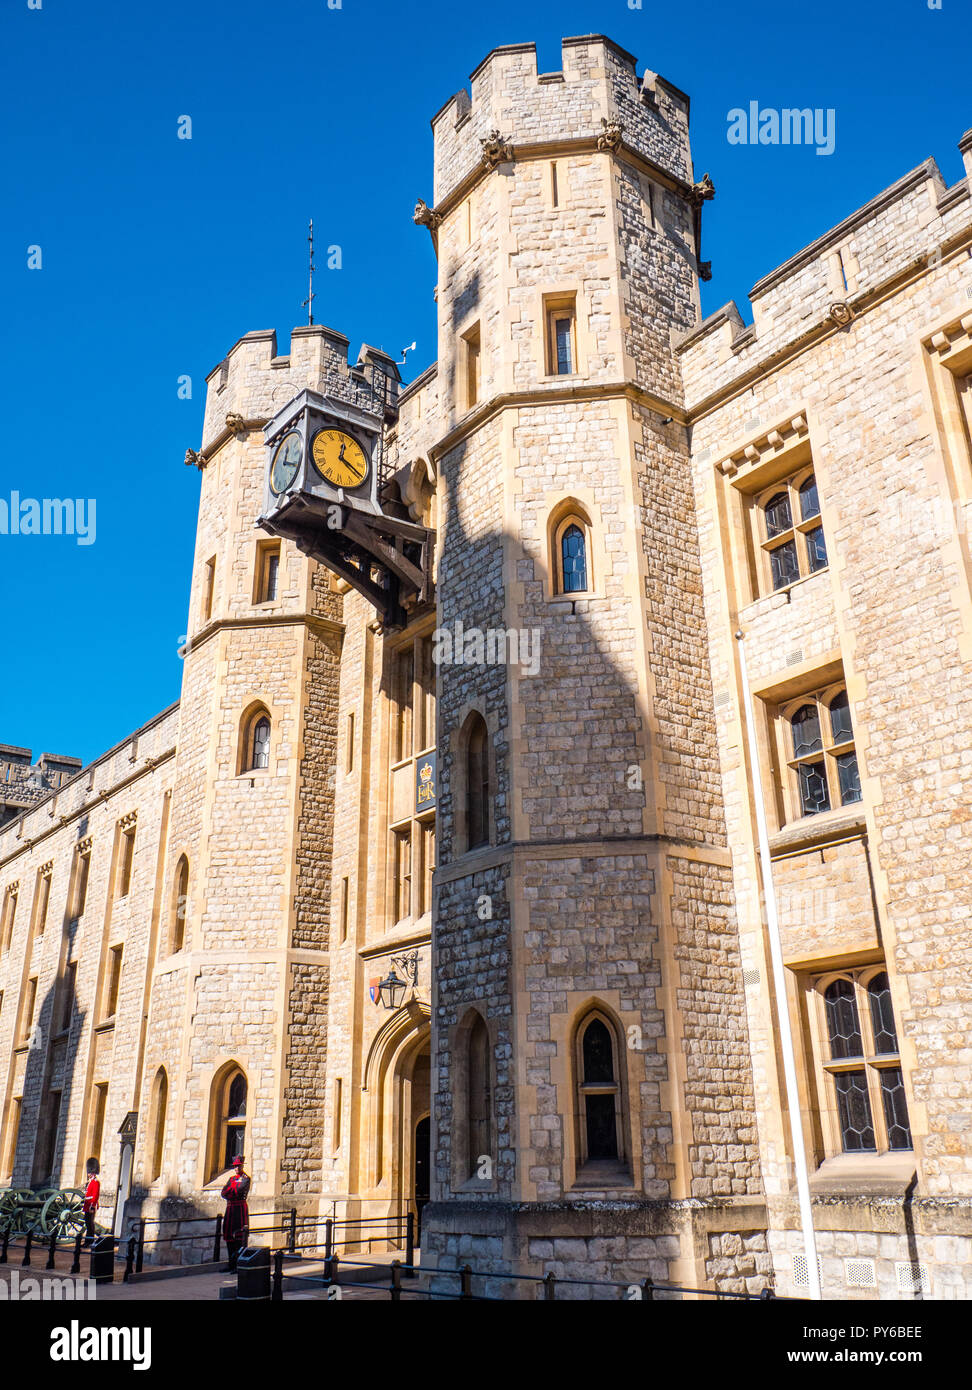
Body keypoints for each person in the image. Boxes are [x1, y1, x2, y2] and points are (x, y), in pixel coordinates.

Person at [220, 1155, 250, 1271]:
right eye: (235, 1166)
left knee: (239, 1237)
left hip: (239, 1210)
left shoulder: (246, 1178)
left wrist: (231, 1190)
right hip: (230, 1209)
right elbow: (224, 1193)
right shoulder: (232, 1179)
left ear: (242, 1165)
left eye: (238, 1166)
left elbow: (238, 1191)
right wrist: (232, 1189)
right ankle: (230, 1263)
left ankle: (238, 1264)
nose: (236, 1168)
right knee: (229, 1237)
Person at [82, 1157, 100, 1246]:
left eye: (89, 1172)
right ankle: (87, 1241)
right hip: (87, 1205)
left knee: (90, 1224)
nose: (88, 1174)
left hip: (91, 1206)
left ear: (93, 1172)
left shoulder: (96, 1182)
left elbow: (95, 1195)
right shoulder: (90, 1182)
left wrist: (92, 1206)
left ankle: (90, 1241)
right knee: (87, 1224)